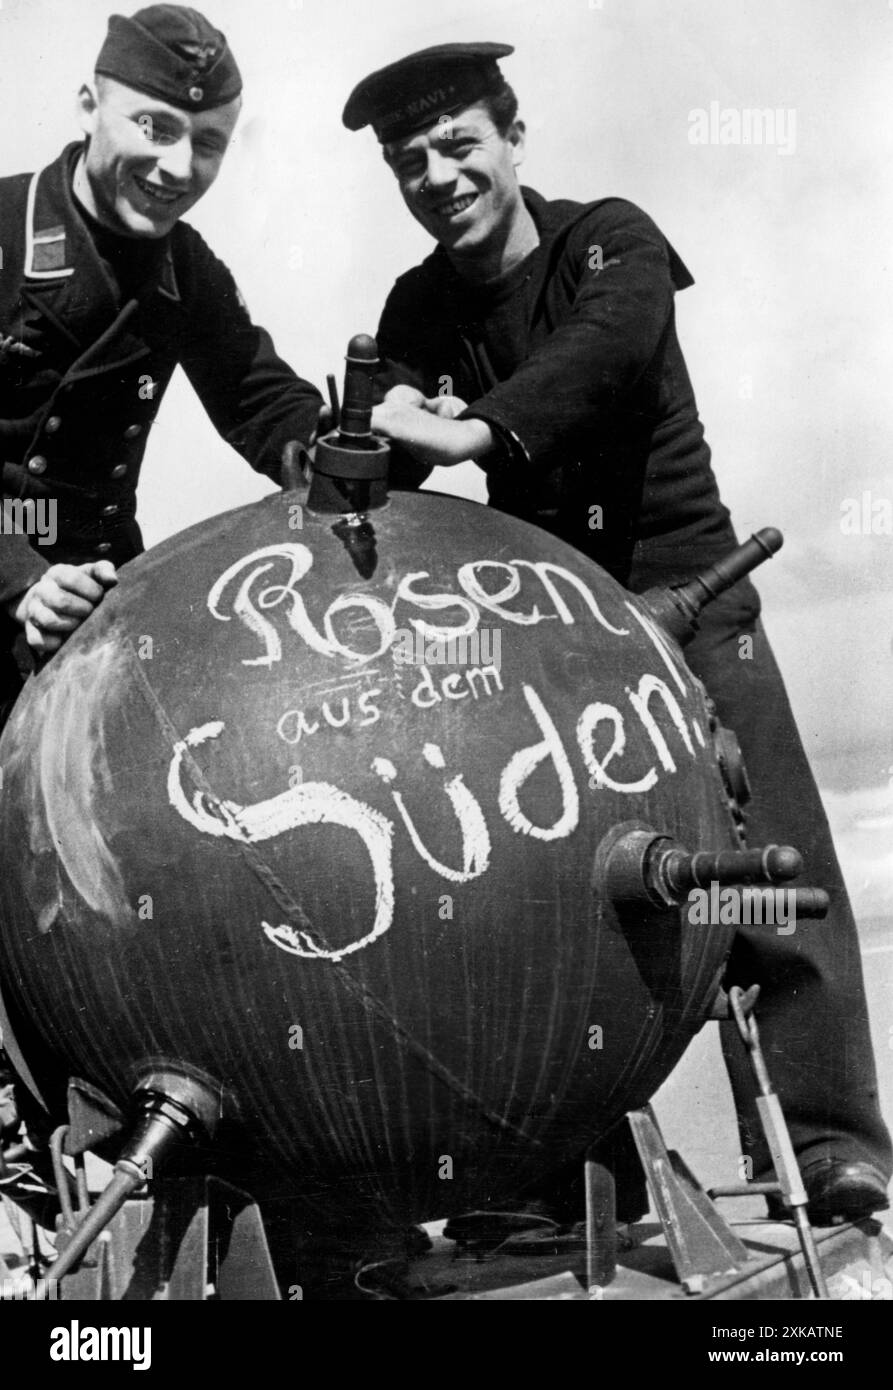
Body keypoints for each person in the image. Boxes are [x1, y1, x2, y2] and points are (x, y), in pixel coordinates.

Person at [342, 42, 891, 1223]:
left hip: (693, 608)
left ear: (512, 138)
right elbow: (379, 454)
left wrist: (474, 431)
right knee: (550, 903)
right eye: (407, 162)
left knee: (768, 890)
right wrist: (378, 428)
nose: (435, 176)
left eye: (455, 146)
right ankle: (569, 1181)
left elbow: (601, 356)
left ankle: (834, 1144)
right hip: (558, 646)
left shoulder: (608, 242)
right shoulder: (418, 306)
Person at [0, 4, 323, 725]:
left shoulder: (186, 266)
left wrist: (339, 448)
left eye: (208, 142)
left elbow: (258, 398)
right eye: (155, 127)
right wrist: (19, 579)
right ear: (89, 106)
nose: (179, 167)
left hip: (97, 614)